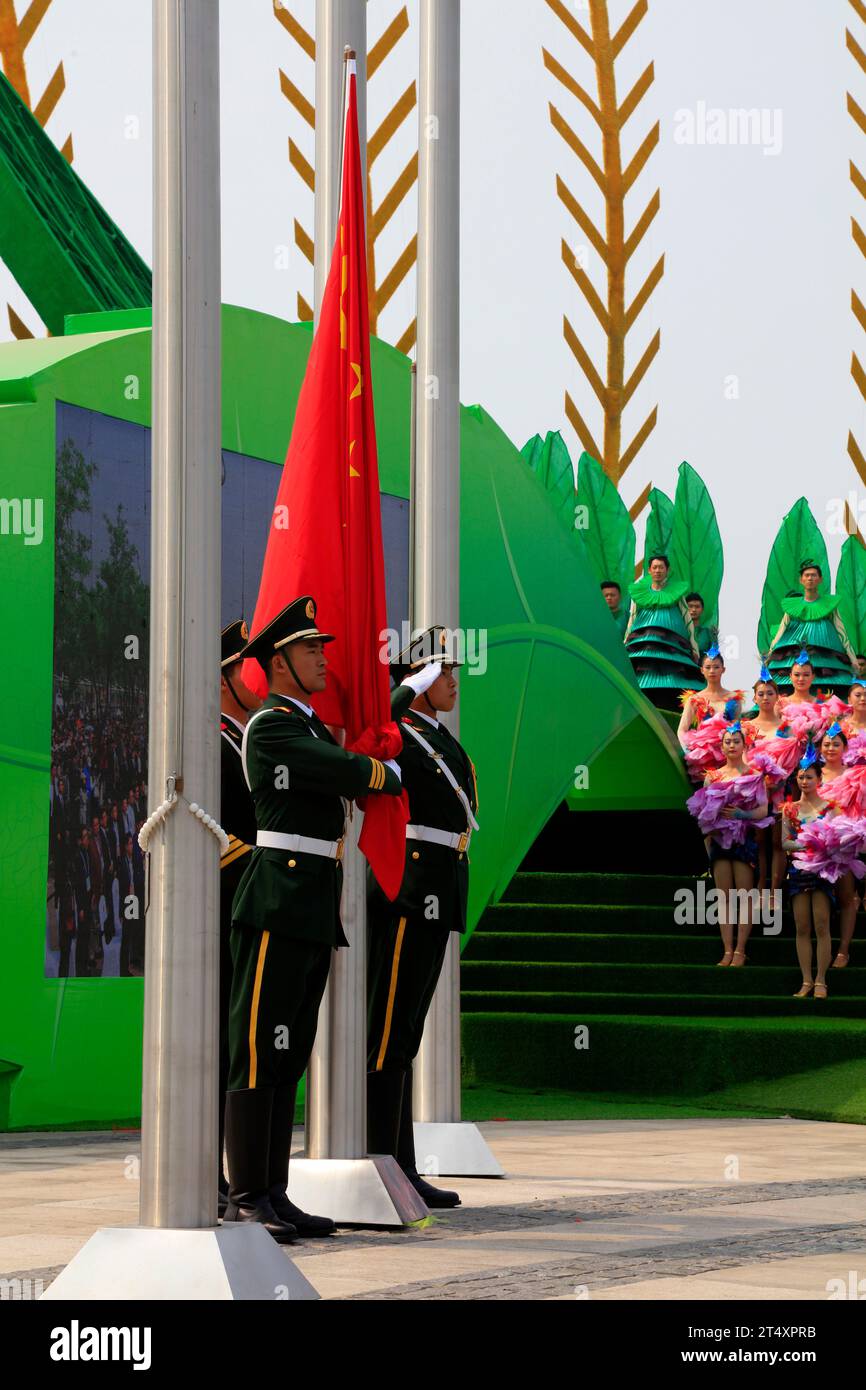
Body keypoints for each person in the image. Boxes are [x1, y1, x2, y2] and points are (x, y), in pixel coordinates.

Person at [224, 596, 403, 1243]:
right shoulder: (271, 727)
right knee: (257, 1050)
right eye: (309, 650)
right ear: (277, 663)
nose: (323, 659)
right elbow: (343, 769)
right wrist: (378, 769)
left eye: (322, 648)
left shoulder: (301, 726)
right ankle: (245, 1195)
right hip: (276, 899)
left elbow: (339, 760)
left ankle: (273, 1191)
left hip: (308, 904)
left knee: (288, 1051)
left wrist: (392, 712)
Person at [367, 627, 479, 1211]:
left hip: (440, 885)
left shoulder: (435, 736)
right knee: (388, 1030)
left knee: (405, 1032)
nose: (454, 682)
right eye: (444, 673)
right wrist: (405, 692)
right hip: (410, 890)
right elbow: (372, 738)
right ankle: (381, 1159)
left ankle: (401, 1164)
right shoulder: (402, 732)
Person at [216, 619, 261, 1217]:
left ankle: (248, 1183)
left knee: (251, 1050)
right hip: (228, 907)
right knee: (225, 1046)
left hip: (252, 908)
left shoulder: (247, 739)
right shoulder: (213, 739)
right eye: (246, 667)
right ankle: (221, 1184)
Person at [695, 724, 768, 966]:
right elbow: (702, 812)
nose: (732, 745)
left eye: (736, 741)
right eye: (728, 741)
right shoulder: (712, 775)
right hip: (719, 841)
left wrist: (742, 815)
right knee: (724, 897)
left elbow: (764, 809)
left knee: (745, 896)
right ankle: (727, 949)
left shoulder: (754, 776)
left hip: (743, 840)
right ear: (722, 746)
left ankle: (740, 949)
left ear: (745, 745)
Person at [781, 748, 833, 999]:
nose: (804, 781)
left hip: (823, 869)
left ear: (819, 780)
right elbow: (784, 843)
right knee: (802, 926)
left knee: (822, 925)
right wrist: (808, 843)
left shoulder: (830, 807)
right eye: (801, 777)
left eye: (810, 777)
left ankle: (821, 980)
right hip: (798, 868)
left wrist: (821, 845)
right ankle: (806, 980)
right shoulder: (789, 809)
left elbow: (837, 840)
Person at [766, 561, 858, 694]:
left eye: (814, 575)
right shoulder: (792, 607)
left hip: (824, 653)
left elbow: (841, 631)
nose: (810, 578)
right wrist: (769, 654)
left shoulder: (829, 605)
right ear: (801, 579)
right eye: (807, 575)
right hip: (795, 651)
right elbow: (782, 630)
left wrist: (852, 658)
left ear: (820, 579)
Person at [624, 554, 702, 709]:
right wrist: (625, 642)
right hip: (645, 644)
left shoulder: (676, 592)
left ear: (667, 570)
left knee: (672, 678)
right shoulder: (640, 593)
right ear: (649, 570)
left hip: (671, 644)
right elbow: (632, 617)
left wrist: (694, 646)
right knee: (642, 678)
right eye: (655, 567)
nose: (658, 570)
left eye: (661, 567)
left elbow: (687, 618)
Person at [686, 592, 718, 659]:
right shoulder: (680, 630)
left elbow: (713, 655)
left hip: (701, 668)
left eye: (697, 607)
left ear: (702, 609)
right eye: (690, 606)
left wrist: (715, 640)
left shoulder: (708, 633)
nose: (694, 610)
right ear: (685, 608)